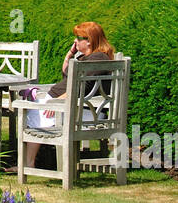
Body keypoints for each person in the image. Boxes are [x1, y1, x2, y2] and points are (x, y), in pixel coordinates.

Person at [22, 21, 115, 168]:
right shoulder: (90, 58)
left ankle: (29, 164)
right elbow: (67, 74)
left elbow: (81, 87)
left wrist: (57, 102)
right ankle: (29, 162)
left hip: (84, 112)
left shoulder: (98, 59)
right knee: (34, 111)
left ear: (89, 41)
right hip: (77, 107)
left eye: (78, 38)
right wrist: (70, 54)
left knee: (32, 112)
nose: (75, 41)